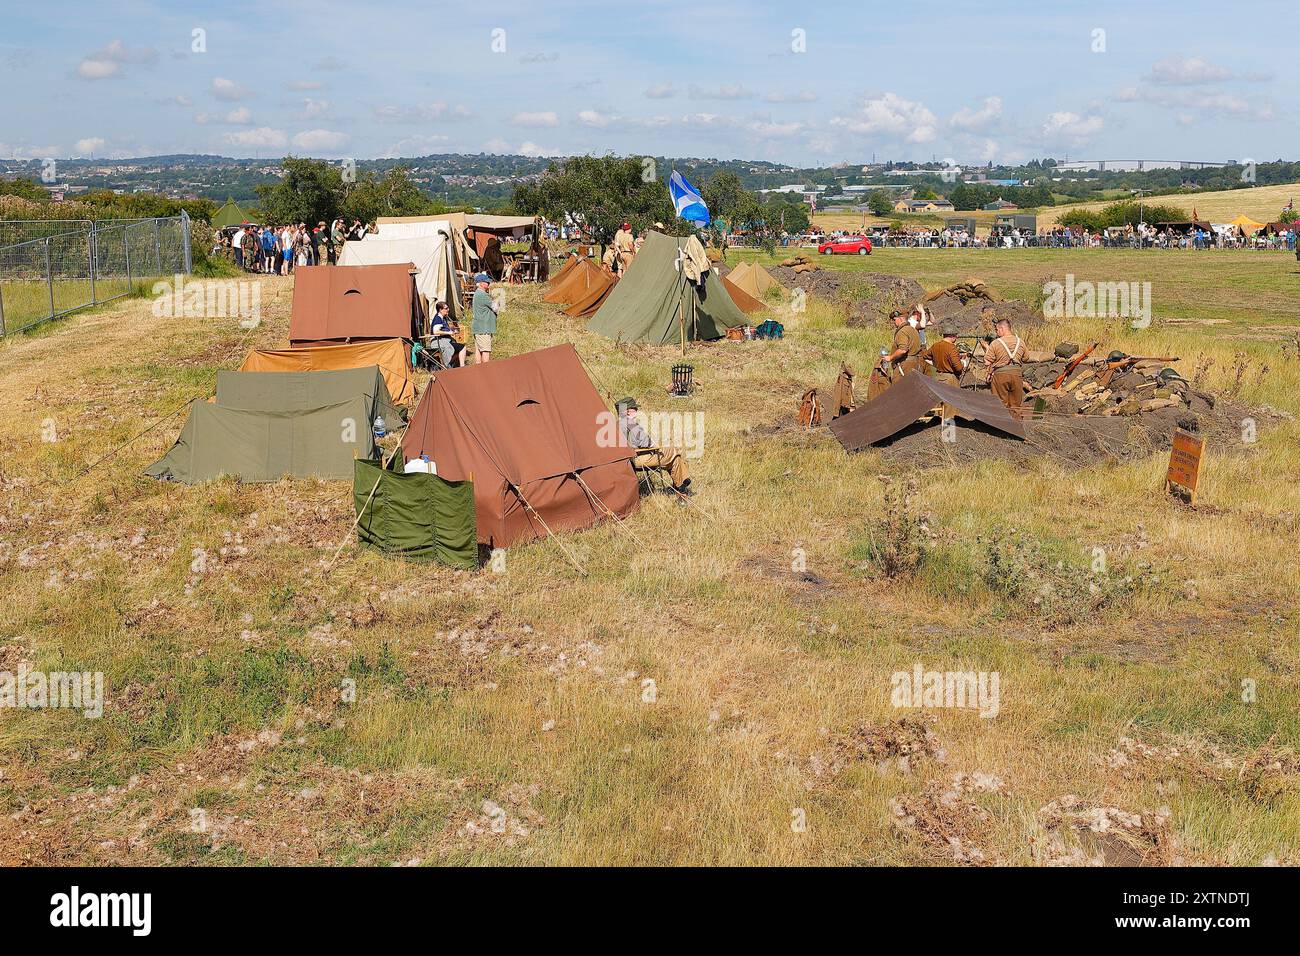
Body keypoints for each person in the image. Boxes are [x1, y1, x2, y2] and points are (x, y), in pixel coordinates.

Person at [617, 397, 690, 492]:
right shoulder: (629, 422)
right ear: (627, 412)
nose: (637, 410)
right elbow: (645, 441)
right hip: (637, 459)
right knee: (673, 451)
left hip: (627, 460)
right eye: (634, 409)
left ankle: (680, 486)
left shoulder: (617, 423)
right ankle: (681, 485)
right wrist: (654, 446)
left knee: (675, 460)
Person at [982, 317, 1027, 416]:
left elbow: (987, 361)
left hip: (1000, 375)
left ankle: (1001, 428)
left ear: (1002, 328)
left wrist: (986, 348)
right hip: (1017, 375)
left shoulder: (996, 343)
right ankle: (1016, 428)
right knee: (1016, 405)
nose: (997, 333)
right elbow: (1026, 358)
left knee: (1000, 404)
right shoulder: (1021, 342)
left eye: (997, 330)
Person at [886, 309, 923, 377]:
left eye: (894, 320)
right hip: (916, 365)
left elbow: (903, 350)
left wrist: (890, 357)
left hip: (904, 367)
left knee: (899, 387)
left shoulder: (902, 331)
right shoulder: (913, 330)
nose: (894, 322)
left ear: (900, 318)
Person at [428, 301, 464, 368]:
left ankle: (448, 364)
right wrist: (448, 332)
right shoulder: (438, 319)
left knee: (459, 348)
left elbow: (443, 329)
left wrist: (452, 331)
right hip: (438, 342)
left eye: (448, 308)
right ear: (440, 310)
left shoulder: (443, 318)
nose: (448, 309)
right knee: (462, 348)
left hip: (443, 340)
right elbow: (435, 332)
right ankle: (457, 366)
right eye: (446, 308)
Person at [470, 273, 496, 363]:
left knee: (479, 350)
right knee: (485, 350)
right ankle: (486, 370)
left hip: (479, 327)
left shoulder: (478, 293)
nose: (488, 284)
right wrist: (499, 299)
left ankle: (479, 370)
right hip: (483, 327)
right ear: (480, 283)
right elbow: (495, 307)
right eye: (486, 282)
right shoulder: (482, 294)